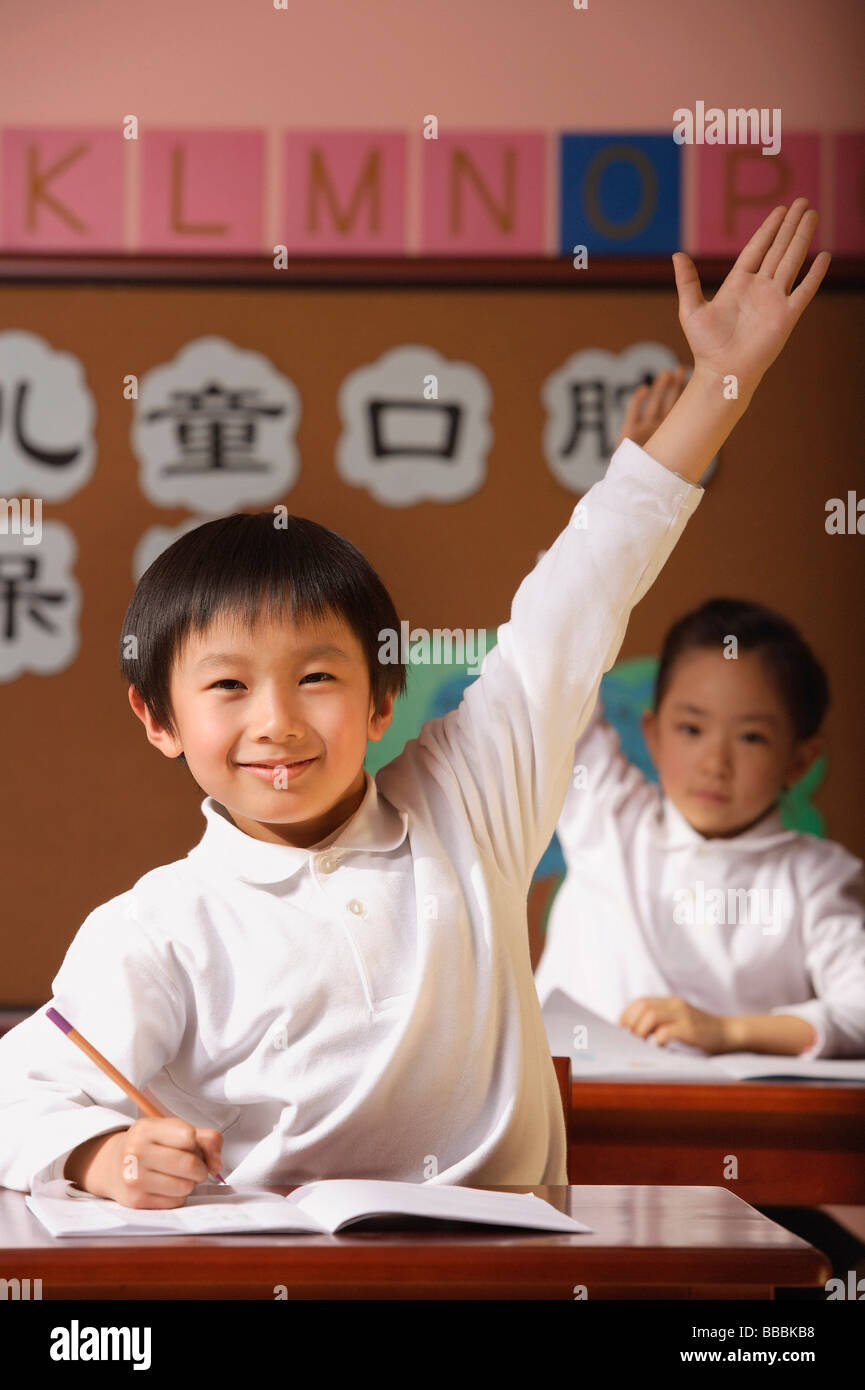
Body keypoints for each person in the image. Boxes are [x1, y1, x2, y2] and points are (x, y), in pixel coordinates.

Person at [0, 200, 830, 1207]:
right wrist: (104, 1155)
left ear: (384, 694)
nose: (277, 721)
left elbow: (583, 591)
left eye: (317, 676)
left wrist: (719, 381)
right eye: (227, 686)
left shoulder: (472, 796)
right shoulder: (158, 925)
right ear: (158, 719)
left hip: (510, 1283)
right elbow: (23, 1096)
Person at [534, 409, 865, 1060]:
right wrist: (625, 486)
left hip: (719, 1136)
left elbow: (858, 1010)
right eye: (690, 728)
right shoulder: (607, 816)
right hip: (569, 1132)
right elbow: (555, 641)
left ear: (800, 761)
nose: (713, 762)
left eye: (749, 739)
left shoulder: (813, 878)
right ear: (652, 734)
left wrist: (726, 1032)